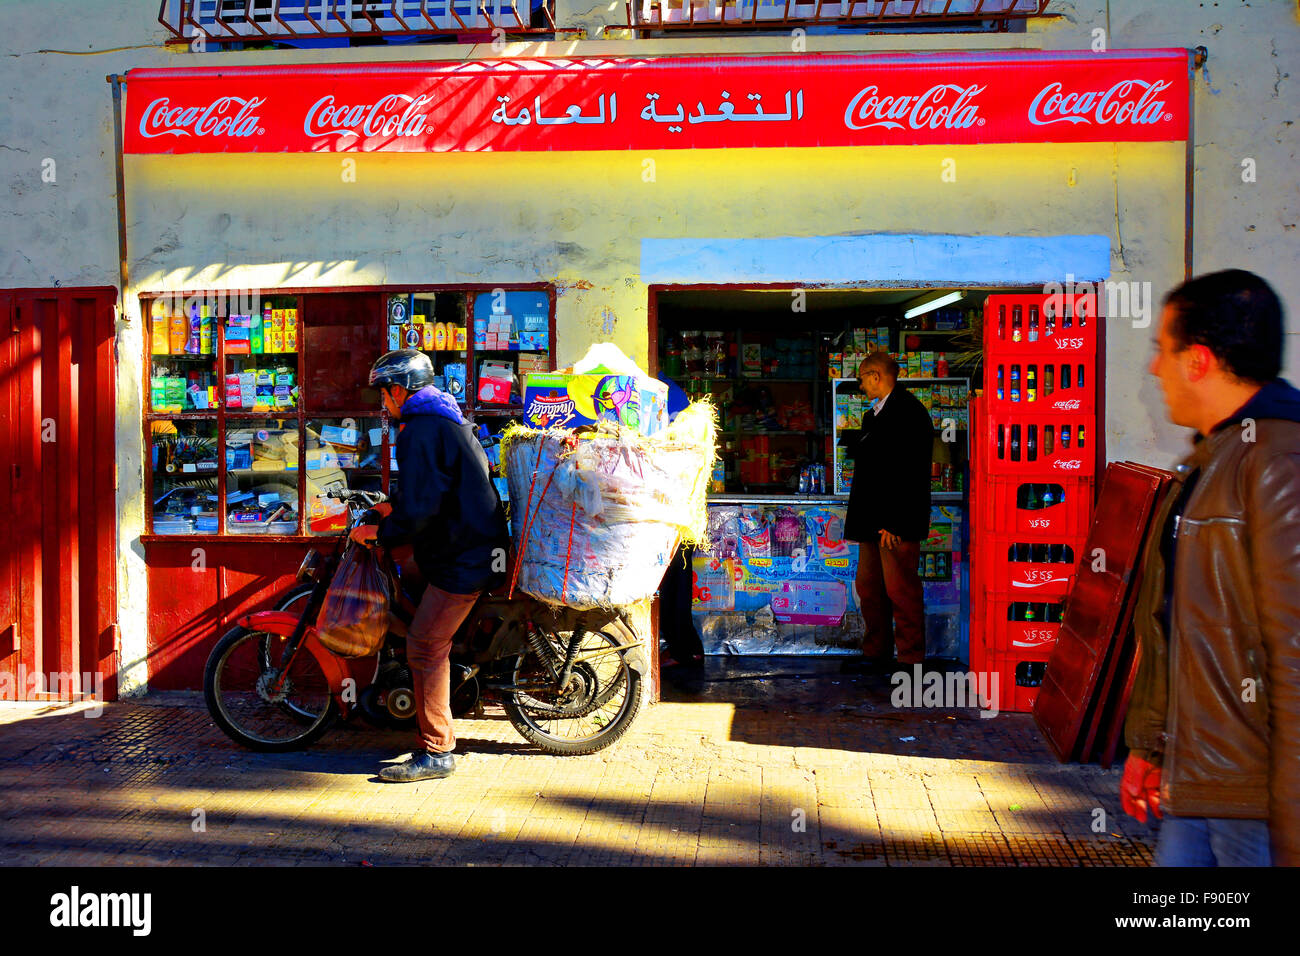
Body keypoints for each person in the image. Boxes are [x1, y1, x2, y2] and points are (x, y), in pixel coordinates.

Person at [1123, 269, 1300, 866]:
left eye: (1162, 352)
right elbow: (1177, 624)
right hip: (1199, 781)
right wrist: (1152, 745)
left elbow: (1294, 657)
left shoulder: (1278, 463)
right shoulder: (1210, 461)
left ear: (1197, 361)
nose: (1155, 370)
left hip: (1253, 799)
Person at [351, 349, 510, 783]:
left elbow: (423, 506)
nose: (382, 404)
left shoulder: (419, 429)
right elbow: (431, 490)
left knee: (423, 644)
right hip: (472, 546)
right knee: (413, 602)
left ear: (398, 390)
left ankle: (437, 751)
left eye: (383, 395)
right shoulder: (445, 418)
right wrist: (391, 506)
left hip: (465, 556)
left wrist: (382, 533)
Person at [839, 352, 934, 669]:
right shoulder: (873, 416)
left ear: (876, 375)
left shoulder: (910, 413)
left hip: (895, 523)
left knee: (901, 590)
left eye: (862, 378)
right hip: (871, 522)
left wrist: (896, 523)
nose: (861, 385)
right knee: (869, 588)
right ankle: (875, 650)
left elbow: (911, 474)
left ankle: (910, 658)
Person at [654, 372, 705, 673]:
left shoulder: (661, 392)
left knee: (674, 583)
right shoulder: (669, 391)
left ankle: (685, 649)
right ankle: (685, 647)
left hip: (676, 509)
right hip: (678, 509)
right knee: (675, 582)